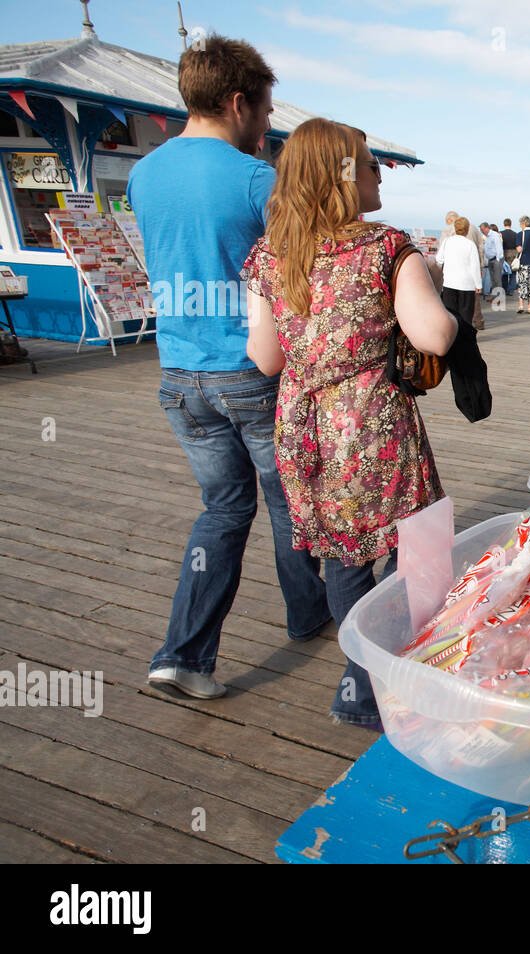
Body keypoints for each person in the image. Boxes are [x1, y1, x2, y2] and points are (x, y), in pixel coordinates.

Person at [127, 34, 330, 701]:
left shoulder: (143, 174)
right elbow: (302, 268)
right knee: (287, 501)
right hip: (250, 371)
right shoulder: (255, 179)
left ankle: (182, 654)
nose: (269, 125)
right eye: (267, 111)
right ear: (239, 101)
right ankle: (307, 614)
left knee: (223, 508)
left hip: (180, 376)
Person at [244, 119, 458, 727]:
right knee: (419, 546)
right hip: (371, 424)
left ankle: (363, 688)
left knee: (342, 557)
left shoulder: (270, 255)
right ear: (342, 176)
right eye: (369, 163)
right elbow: (434, 334)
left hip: (306, 427)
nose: (377, 172)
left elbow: (266, 358)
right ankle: (400, 678)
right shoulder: (385, 248)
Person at [441, 211, 486, 329]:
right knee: (465, 316)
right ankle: (465, 339)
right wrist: (478, 285)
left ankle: (452, 339)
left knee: (451, 315)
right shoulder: (470, 245)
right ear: (467, 229)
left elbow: (439, 259)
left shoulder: (447, 242)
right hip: (466, 284)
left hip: (449, 283)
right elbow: (474, 266)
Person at [480, 222, 503, 297]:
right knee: (492, 280)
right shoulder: (487, 237)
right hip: (490, 259)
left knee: (497, 279)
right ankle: (494, 296)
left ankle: (499, 297)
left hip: (496, 259)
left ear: (487, 228)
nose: (482, 231)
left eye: (482, 230)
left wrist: (498, 260)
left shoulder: (494, 235)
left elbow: (498, 248)